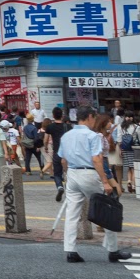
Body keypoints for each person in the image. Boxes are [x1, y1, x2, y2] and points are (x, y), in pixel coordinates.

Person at [60, 109, 128, 263]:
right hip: (89, 174)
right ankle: (113, 250)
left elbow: (63, 160)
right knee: (107, 209)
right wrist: (105, 181)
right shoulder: (92, 136)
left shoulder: (66, 136)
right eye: (94, 118)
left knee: (72, 213)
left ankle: (71, 250)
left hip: (72, 173)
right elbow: (97, 159)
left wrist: (68, 174)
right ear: (89, 117)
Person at [43, 107, 71, 202]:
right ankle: (70, 190)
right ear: (62, 116)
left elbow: (46, 139)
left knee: (57, 173)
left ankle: (59, 187)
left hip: (57, 152)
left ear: (53, 115)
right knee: (69, 172)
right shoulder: (68, 127)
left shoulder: (50, 127)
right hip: (68, 153)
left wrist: (46, 147)